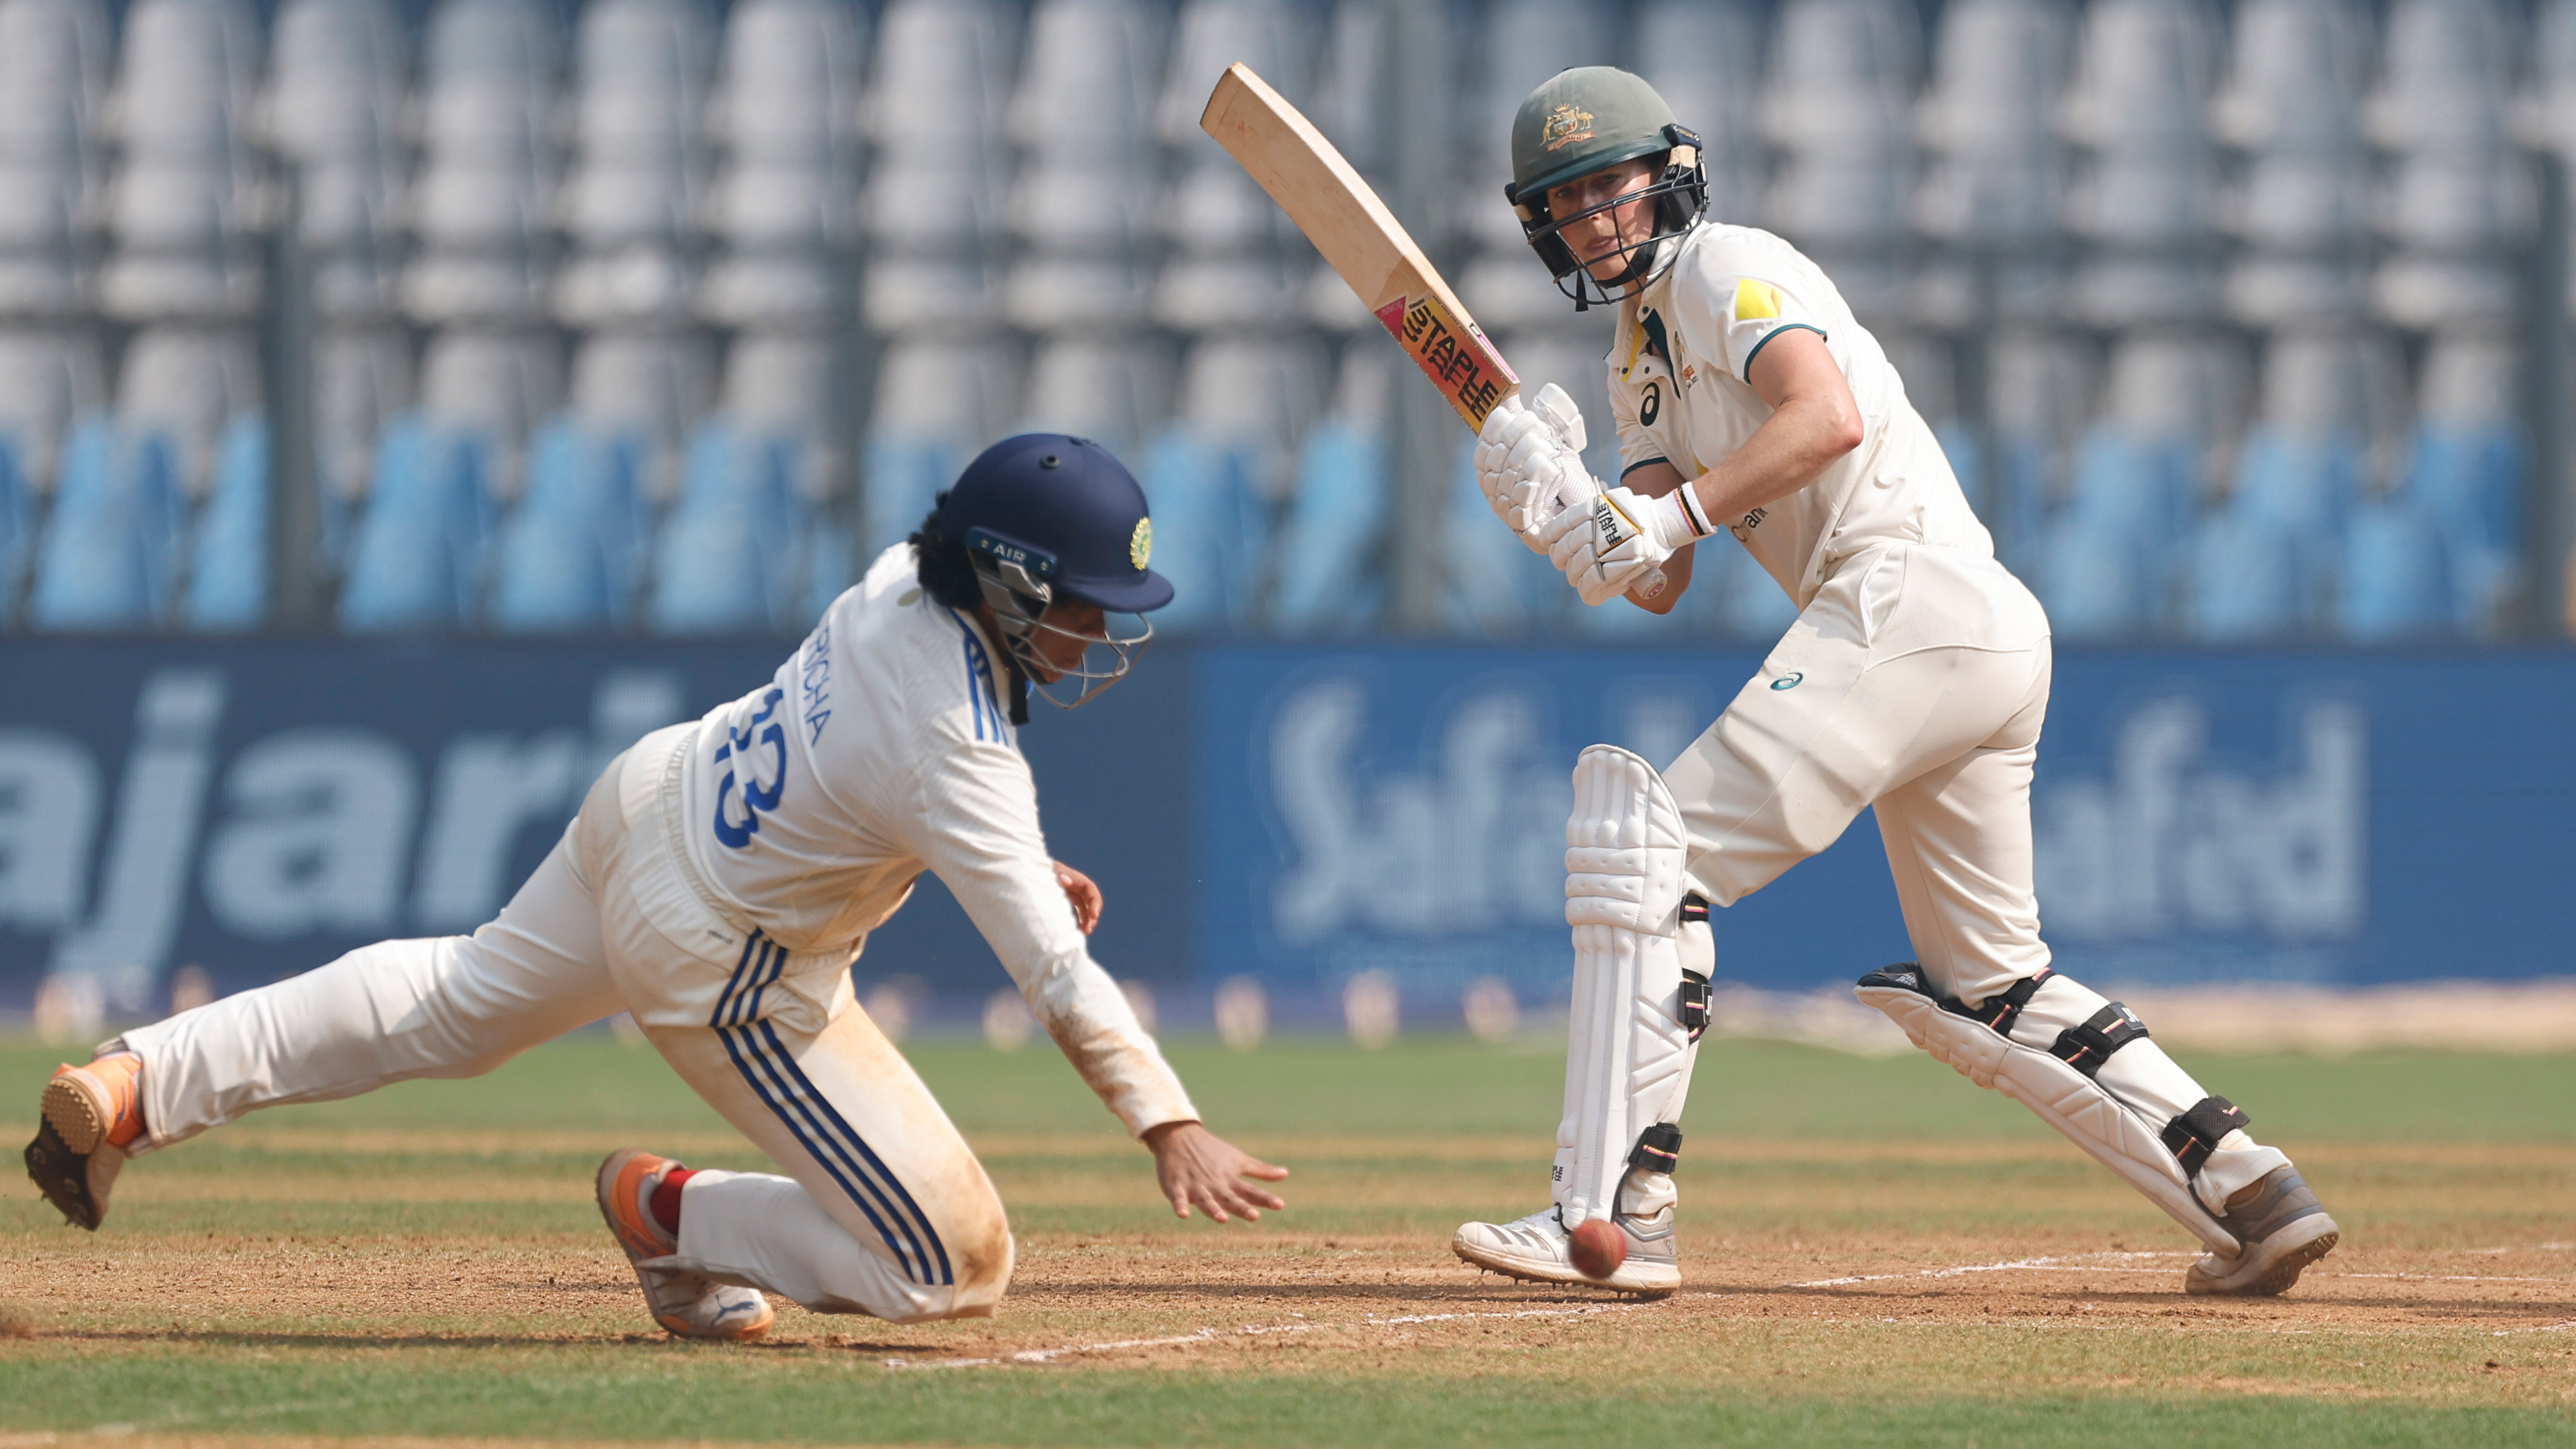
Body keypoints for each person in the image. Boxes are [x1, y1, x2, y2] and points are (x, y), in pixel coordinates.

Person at [25, 433, 1288, 1337]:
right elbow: (1050, 967)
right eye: (1078, 605)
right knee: (949, 1272)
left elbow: (897, 773)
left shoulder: (904, 582)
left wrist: (998, 853)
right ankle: (670, 1217)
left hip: (651, 802)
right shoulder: (959, 748)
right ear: (1007, 583)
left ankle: (138, 1084)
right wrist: (1168, 1121)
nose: (1095, 633)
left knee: (456, 1003)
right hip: (723, 958)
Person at [1447, 68, 2337, 1298]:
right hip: (1960, 635)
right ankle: (2249, 1187)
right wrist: (1560, 507)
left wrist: (1672, 515)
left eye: (1612, 186)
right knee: (1988, 981)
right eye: (1567, 205)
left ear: (1667, 174)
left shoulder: (1727, 269)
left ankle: (1610, 1215)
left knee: (1647, 852)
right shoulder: (1634, 358)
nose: (1597, 220)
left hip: (1908, 597)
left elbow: (1821, 421)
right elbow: (1649, 571)